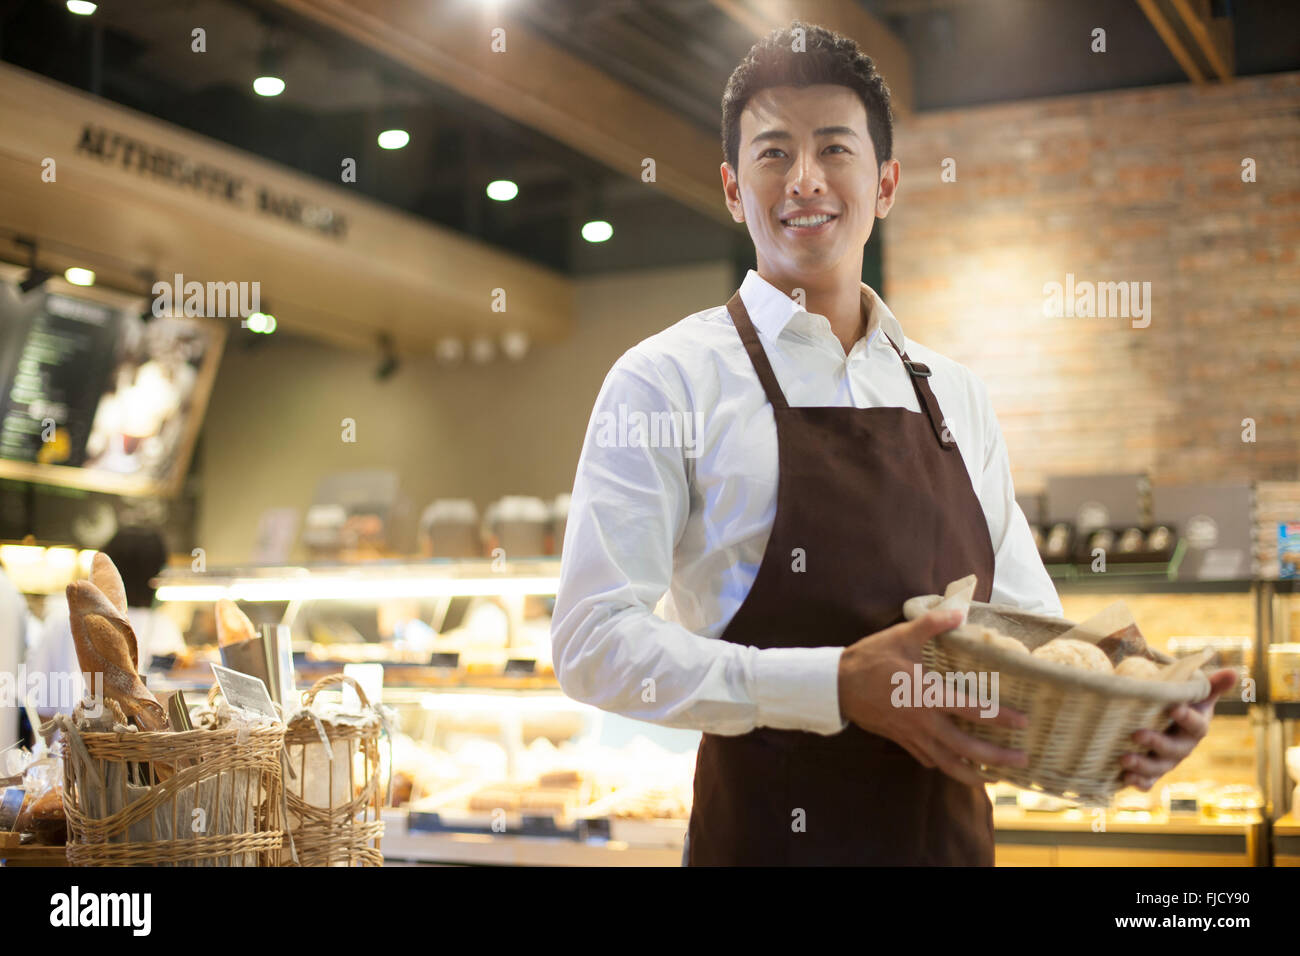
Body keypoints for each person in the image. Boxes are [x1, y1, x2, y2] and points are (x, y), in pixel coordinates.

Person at [551, 21, 1236, 866]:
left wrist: (1134, 720)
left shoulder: (956, 395)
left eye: (835, 149)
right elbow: (592, 644)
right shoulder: (665, 381)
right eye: (773, 154)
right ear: (733, 189)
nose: (805, 180)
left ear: (886, 184)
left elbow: (1031, 645)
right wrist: (834, 685)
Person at [27, 527, 186, 721]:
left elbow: (41, 710)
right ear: (155, 575)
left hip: (65, 746)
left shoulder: (61, 619)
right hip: (137, 749)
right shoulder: (164, 627)